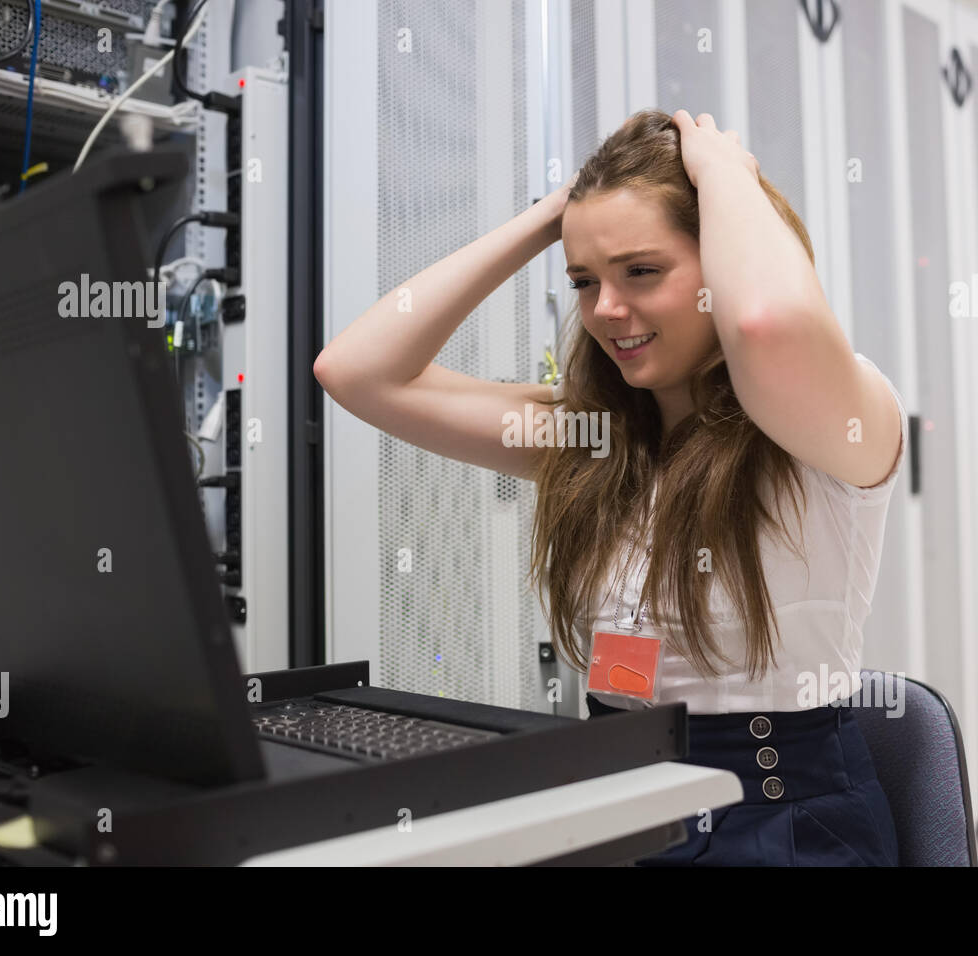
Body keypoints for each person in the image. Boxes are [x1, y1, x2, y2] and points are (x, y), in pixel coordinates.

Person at [314, 108, 906, 866]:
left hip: (775, 820)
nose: (607, 311)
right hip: (614, 799)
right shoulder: (592, 438)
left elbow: (762, 323)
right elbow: (357, 371)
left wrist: (726, 171)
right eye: (585, 281)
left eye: (642, 272)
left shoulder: (835, 421)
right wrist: (548, 220)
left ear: (718, 266)